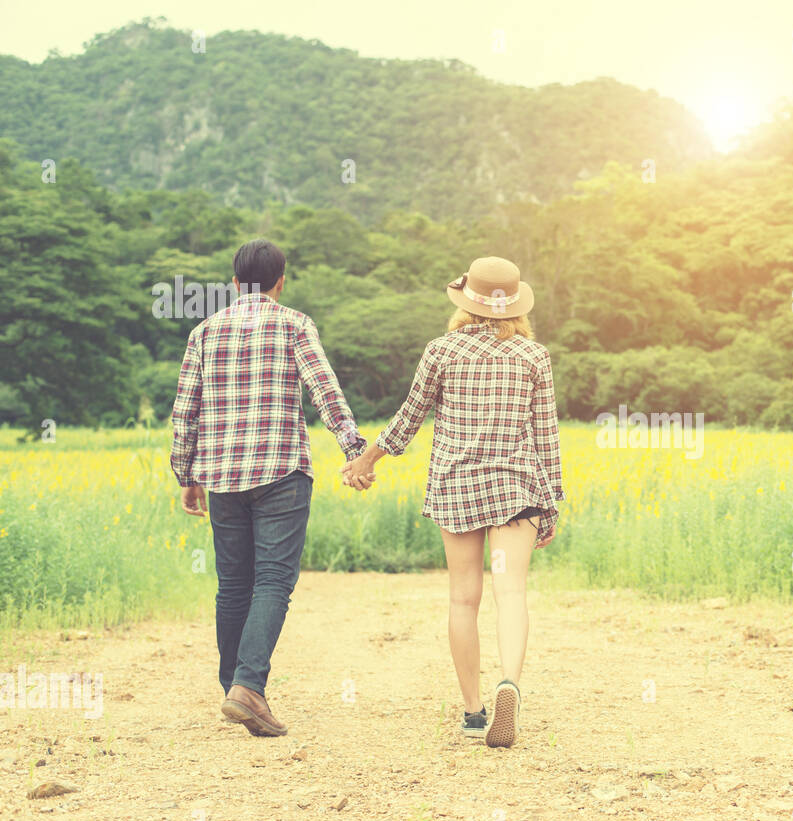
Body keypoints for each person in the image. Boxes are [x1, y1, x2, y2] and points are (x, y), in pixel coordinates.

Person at [341, 256, 563, 748]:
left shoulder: (441, 351)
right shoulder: (533, 357)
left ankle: (473, 713)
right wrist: (551, 504)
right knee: (511, 593)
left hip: (457, 488)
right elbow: (546, 437)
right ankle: (510, 683)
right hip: (515, 490)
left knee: (464, 598)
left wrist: (367, 459)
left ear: (467, 302)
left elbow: (409, 417)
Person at [171, 239, 368, 737]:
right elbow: (324, 389)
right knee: (273, 582)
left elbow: (185, 412)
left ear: (234, 284)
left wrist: (186, 475)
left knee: (233, 585)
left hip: (220, 477)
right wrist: (354, 450)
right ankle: (248, 688)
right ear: (281, 282)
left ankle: (235, 687)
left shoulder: (204, 331)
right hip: (281, 472)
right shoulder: (293, 323)